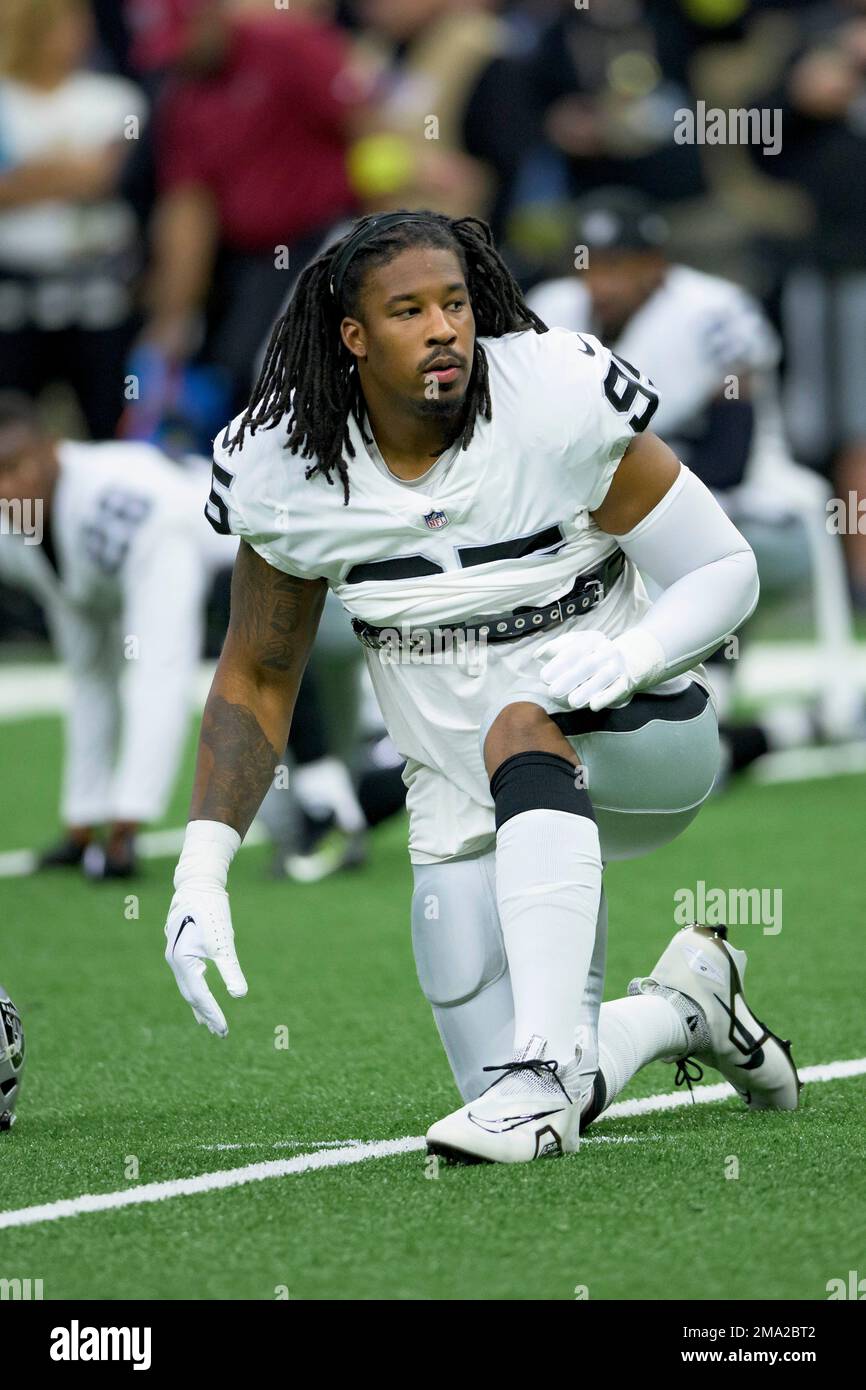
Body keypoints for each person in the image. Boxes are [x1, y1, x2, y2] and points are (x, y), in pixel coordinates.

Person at [164, 210, 799, 1165]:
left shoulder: (548, 397)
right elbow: (258, 672)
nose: (444, 329)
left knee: (519, 723)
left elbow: (724, 569)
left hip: (639, 736)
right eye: (408, 309)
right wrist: (199, 869)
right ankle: (686, 1004)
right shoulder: (288, 464)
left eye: (455, 303)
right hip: (456, 786)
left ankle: (543, 1071)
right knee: (510, 1092)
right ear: (352, 337)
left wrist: (632, 657)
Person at [527, 187, 844, 781]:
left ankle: (695, 714)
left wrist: (631, 509)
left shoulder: (714, 310)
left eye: (621, 264)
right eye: (593, 263)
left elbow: (732, 450)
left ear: (656, 265)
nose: (605, 282)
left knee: (655, 536)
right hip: (607, 513)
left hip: (751, 515)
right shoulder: (549, 307)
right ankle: (720, 730)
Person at [0, 393, 234, 876]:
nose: (7, 489)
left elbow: (161, 672)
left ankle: (127, 828)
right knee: (87, 676)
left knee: (151, 670)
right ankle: (83, 822)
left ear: (49, 451)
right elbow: (90, 680)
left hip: (205, 542)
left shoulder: (116, 500)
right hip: (97, 578)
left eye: (13, 466)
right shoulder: (18, 521)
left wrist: (128, 821)